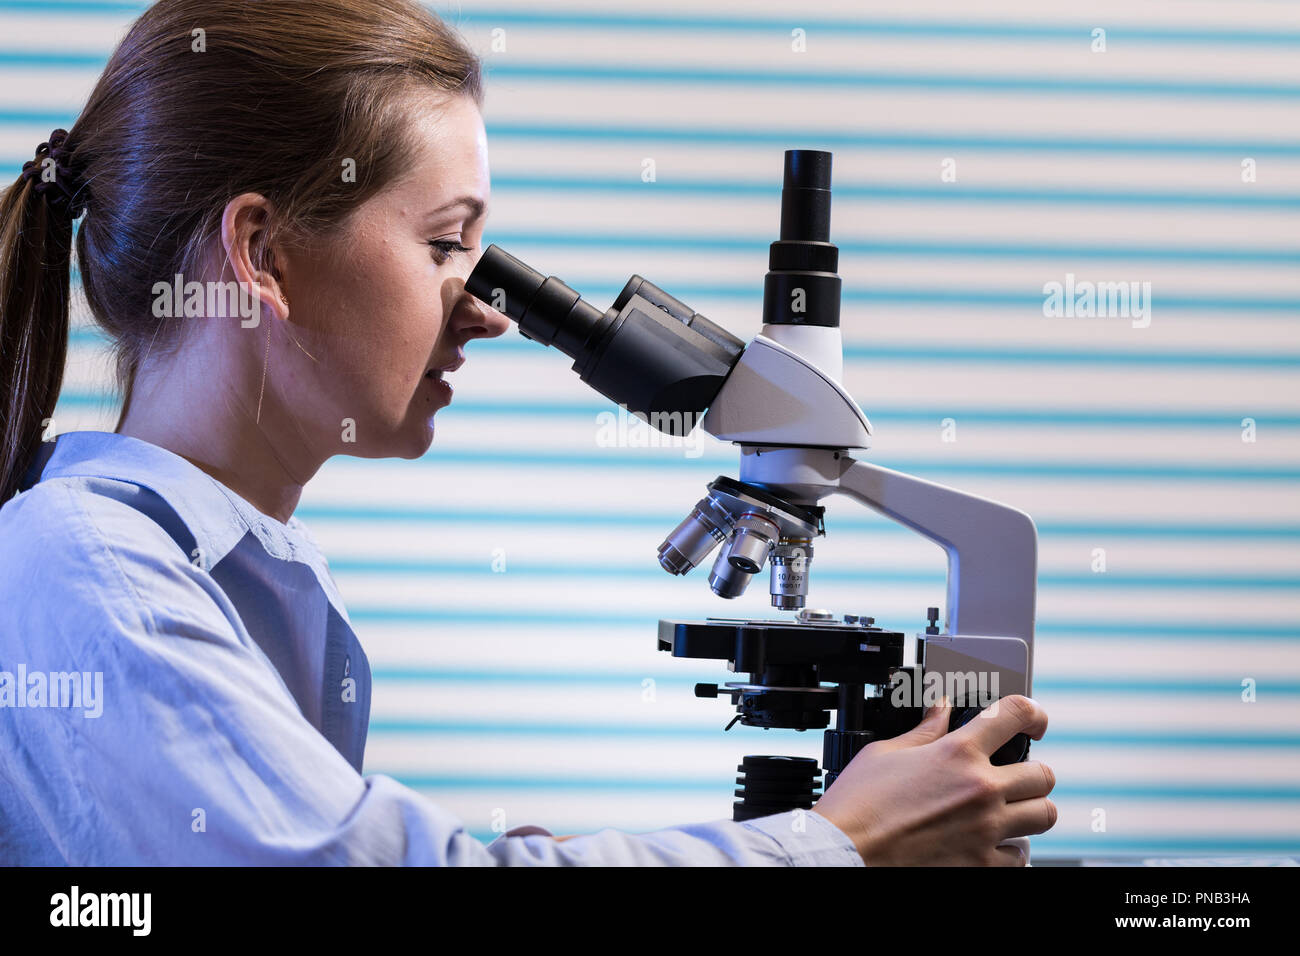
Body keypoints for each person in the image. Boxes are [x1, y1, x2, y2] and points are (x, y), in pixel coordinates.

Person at [0, 0, 1056, 865]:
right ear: (263, 253)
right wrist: (842, 840)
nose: (491, 309)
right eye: (446, 244)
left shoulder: (213, 574)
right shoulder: (96, 573)